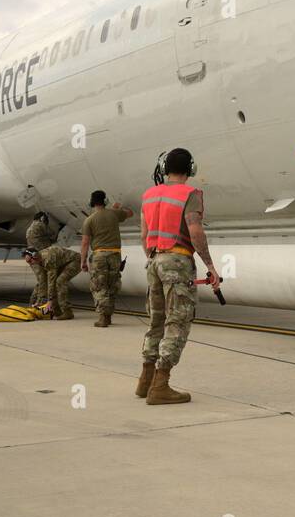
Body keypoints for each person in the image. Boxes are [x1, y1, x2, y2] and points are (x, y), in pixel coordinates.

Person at [137, 148, 219, 405]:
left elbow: (144, 234)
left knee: (156, 322)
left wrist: (154, 258)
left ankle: (145, 381)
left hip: (154, 260)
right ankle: (161, 385)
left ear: (164, 168)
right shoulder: (190, 194)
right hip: (177, 260)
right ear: (190, 169)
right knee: (178, 322)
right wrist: (211, 266)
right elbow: (195, 231)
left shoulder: (149, 195)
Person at [80, 190, 133, 327]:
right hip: (115, 255)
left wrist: (83, 261)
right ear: (105, 201)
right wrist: (118, 208)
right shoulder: (114, 214)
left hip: (99, 255)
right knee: (112, 284)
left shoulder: (89, 220)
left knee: (99, 286)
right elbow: (130, 213)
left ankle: (103, 317)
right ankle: (108, 316)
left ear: (92, 202)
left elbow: (85, 243)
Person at [23, 212, 56, 306]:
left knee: (41, 279)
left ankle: (33, 301)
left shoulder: (31, 227)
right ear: (42, 218)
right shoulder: (39, 224)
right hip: (37, 257)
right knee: (42, 279)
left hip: (33, 256)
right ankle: (40, 301)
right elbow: (52, 233)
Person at [41, 243, 80, 320]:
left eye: (30, 261)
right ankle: (57, 310)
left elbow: (51, 281)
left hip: (75, 261)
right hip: (64, 263)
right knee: (56, 283)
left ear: (35, 257)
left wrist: (50, 300)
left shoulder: (48, 259)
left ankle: (67, 311)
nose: (31, 263)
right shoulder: (41, 257)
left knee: (60, 282)